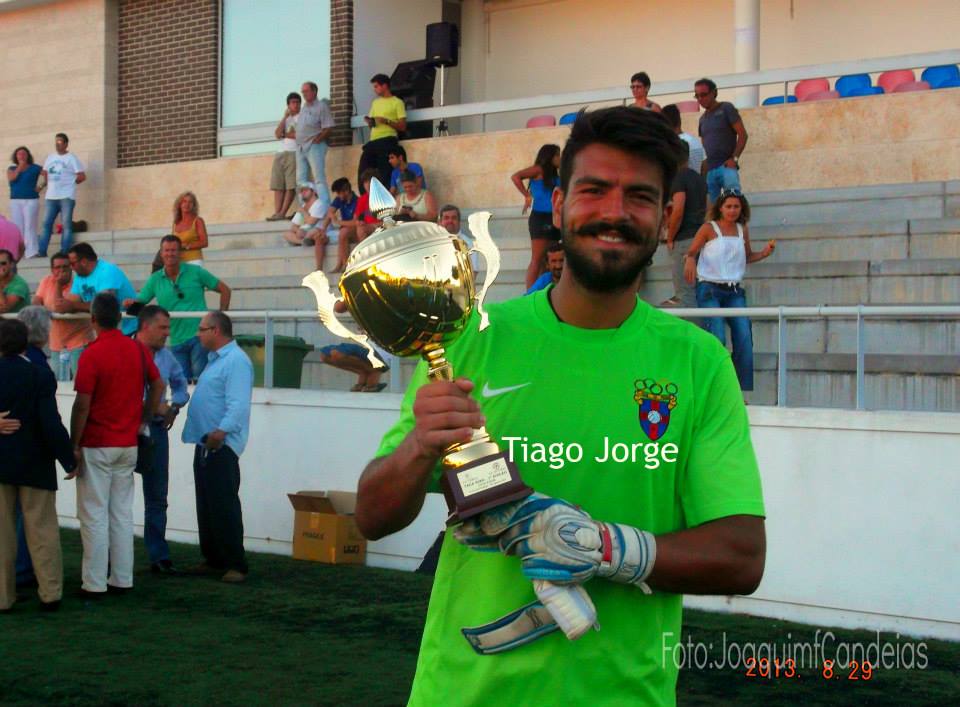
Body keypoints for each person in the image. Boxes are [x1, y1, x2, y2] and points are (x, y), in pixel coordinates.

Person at [356, 107, 766, 706]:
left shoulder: (699, 362)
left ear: (666, 217)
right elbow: (373, 516)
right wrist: (420, 448)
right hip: (464, 694)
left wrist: (604, 547)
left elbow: (741, 555)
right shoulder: (472, 335)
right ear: (560, 202)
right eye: (595, 190)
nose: (615, 213)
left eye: (640, 196)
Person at [69, 293, 162, 597]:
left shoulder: (92, 354)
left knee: (94, 514)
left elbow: (82, 404)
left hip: (98, 442)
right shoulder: (135, 348)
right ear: (120, 319)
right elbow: (158, 384)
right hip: (128, 442)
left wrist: (74, 443)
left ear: (93, 320)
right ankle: (122, 578)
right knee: (121, 513)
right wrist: (144, 419)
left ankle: (94, 583)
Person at [0, 319, 76, 612]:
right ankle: (50, 593)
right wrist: (68, 458)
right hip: (34, 463)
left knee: (2, 534)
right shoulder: (40, 376)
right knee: (41, 529)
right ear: (27, 342)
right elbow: (50, 423)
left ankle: (4, 598)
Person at [182, 311, 253, 583]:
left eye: (202, 329)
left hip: (219, 444)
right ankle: (214, 559)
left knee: (223, 505)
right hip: (208, 443)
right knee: (208, 505)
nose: (198, 334)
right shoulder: (217, 361)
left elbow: (238, 405)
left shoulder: (235, 361)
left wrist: (220, 432)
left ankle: (236, 563)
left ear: (216, 331)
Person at [683, 189, 775, 393]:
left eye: (736, 206)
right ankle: (717, 389)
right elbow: (691, 251)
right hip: (710, 287)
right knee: (717, 337)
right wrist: (689, 259)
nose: (732, 210)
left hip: (733, 289)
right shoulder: (709, 228)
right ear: (720, 208)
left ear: (742, 208)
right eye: (728, 206)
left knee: (743, 336)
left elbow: (747, 257)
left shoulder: (742, 229)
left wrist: (764, 253)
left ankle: (739, 390)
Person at [130, 234, 231, 383]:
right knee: (181, 384)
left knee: (201, 383)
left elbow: (225, 290)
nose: (170, 254)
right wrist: (128, 304)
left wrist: (221, 317)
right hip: (175, 340)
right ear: (161, 253)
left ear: (180, 253)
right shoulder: (155, 279)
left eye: (173, 250)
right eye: (167, 250)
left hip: (199, 337)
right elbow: (138, 304)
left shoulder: (196, 271)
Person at [135, 305, 189, 575]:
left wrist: (175, 407)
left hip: (155, 431)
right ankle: (111, 555)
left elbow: (181, 385)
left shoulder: (166, 356)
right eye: (163, 327)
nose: (168, 333)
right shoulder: (127, 352)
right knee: (116, 494)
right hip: (126, 429)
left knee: (157, 495)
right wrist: (157, 407)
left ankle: (158, 555)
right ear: (145, 327)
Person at [31, 252, 93, 381]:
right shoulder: (46, 281)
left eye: (65, 267)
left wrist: (58, 285)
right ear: (52, 269)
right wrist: (40, 307)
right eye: (57, 268)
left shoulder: (79, 282)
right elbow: (36, 300)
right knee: (58, 387)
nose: (61, 270)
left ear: (71, 267)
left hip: (79, 342)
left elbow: (59, 308)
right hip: (56, 345)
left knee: (80, 385)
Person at [662, 142, 707, 308]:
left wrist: (670, 237)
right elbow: (708, 207)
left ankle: (694, 333)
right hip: (700, 238)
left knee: (686, 295)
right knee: (697, 292)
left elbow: (678, 209)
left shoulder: (678, 178)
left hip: (684, 241)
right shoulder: (699, 179)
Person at [511, 144, 562, 288]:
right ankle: (530, 294)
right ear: (549, 157)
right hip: (541, 217)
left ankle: (544, 290)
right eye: (557, 155)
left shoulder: (556, 175)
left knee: (549, 258)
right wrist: (527, 195)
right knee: (537, 258)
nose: (559, 158)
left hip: (554, 218)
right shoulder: (538, 170)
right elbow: (516, 177)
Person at [63, 243, 138, 335]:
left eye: (72, 264)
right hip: (110, 330)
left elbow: (104, 306)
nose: (71, 268)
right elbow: (69, 304)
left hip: (131, 329)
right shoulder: (79, 277)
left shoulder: (108, 271)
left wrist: (74, 306)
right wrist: (59, 286)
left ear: (84, 262)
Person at [694, 78, 748, 202]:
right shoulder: (702, 119)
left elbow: (743, 135)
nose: (700, 99)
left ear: (714, 92)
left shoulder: (726, 108)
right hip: (710, 171)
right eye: (697, 96)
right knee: (713, 210)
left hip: (726, 167)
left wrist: (734, 159)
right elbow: (704, 147)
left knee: (733, 202)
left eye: (704, 94)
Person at [39, 133, 86, 257]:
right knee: (46, 224)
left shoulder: (71, 158)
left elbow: (82, 176)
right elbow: (45, 174)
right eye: (56, 142)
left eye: (60, 142)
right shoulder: (50, 157)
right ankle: (42, 251)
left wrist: (70, 183)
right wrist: (41, 186)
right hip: (51, 196)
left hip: (66, 196)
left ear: (65, 144)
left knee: (66, 225)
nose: (57, 144)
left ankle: (65, 252)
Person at [358, 74, 406, 189]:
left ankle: (384, 200)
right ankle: (366, 199)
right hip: (373, 141)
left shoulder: (397, 102)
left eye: (376, 86)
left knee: (384, 173)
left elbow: (403, 126)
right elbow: (373, 123)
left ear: (384, 86)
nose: (375, 89)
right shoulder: (375, 103)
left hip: (388, 140)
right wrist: (370, 122)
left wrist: (386, 121)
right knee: (364, 170)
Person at [295, 81, 334, 206]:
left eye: (306, 91)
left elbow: (329, 127)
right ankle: (306, 209)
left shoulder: (321, 106)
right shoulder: (304, 108)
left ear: (314, 91)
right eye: (303, 92)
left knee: (319, 179)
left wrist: (318, 139)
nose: (304, 94)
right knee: (301, 180)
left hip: (314, 146)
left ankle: (325, 208)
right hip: (301, 148)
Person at [335, 169, 380, 272]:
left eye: (370, 181)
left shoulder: (384, 196)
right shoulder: (362, 199)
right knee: (343, 232)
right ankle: (346, 265)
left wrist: (371, 225)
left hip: (379, 226)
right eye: (365, 182)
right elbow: (356, 219)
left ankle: (364, 262)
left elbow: (388, 219)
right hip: (364, 227)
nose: (367, 184)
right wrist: (359, 222)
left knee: (361, 229)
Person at [267, 92, 301, 221]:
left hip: (293, 152)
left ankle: (283, 212)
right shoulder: (286, 118)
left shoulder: (302, 118)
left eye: (298, 102)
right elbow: (277, 134)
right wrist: (284, 118)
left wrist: (285, 134)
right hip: (280, 152)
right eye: (293, 102)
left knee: (290, 184)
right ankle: (277, 213)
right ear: (288, 105)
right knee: (278, 184)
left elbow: (299, 135)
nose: (296, 105)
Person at [315, 177, 358, 270]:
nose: (338, 195)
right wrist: (323, 229)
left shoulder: (357, 201)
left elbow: (355, 223)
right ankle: (319, 269)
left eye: (339, 193)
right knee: (319, 237)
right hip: (342, 230)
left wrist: (338, 222)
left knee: (343, 232)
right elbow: (330, 213)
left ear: (346, 191)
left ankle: (344, 265)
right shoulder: (339, 200)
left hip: (353, 231)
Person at [7, 146, 41, 259]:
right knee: (18, 227)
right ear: (16, 156)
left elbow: (48, 174)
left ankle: (32, 252)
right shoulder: (11, 168)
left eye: (24, 154)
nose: (21, 156)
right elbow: (12, 178)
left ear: (28, 156)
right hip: (16, 200)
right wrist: (19, 167)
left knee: (30, 226)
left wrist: (41, 186)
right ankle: (18, 252)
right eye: (19, 154)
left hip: (31, 200)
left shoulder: (35, 168)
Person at [661, 104, 704, 175]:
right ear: (679, 120)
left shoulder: (672, 144)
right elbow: (704, 166)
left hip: (682, 184)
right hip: (697, 182)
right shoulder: (695, 141)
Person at [284, 182, 326, 248]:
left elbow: (311, 222)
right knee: (287, 234)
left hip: (316, 231)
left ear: (314, 192)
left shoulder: (319, 204)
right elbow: (294, 226)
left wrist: (303, 212)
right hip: (303, 233)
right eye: (301, 191)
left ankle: (304, 240)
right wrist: (298, 230)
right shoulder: (303, 206)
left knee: (313, 232)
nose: (303, 193)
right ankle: (303, 242)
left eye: (306, 190)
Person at [172, 191, 208, 265]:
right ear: (179, 204)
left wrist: (186, 246)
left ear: (194, 205)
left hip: (194, 260)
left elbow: (204, 242)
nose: (187, 204)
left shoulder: (198, 221)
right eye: (184, 201)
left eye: (190, 202)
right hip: (178, 261)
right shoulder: (175, 223)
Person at [0, 249, 29, 314]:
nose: (0, 266)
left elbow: (5, 308)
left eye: (3, 263)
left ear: (11, 264)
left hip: (17, 323)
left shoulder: (20, 285)